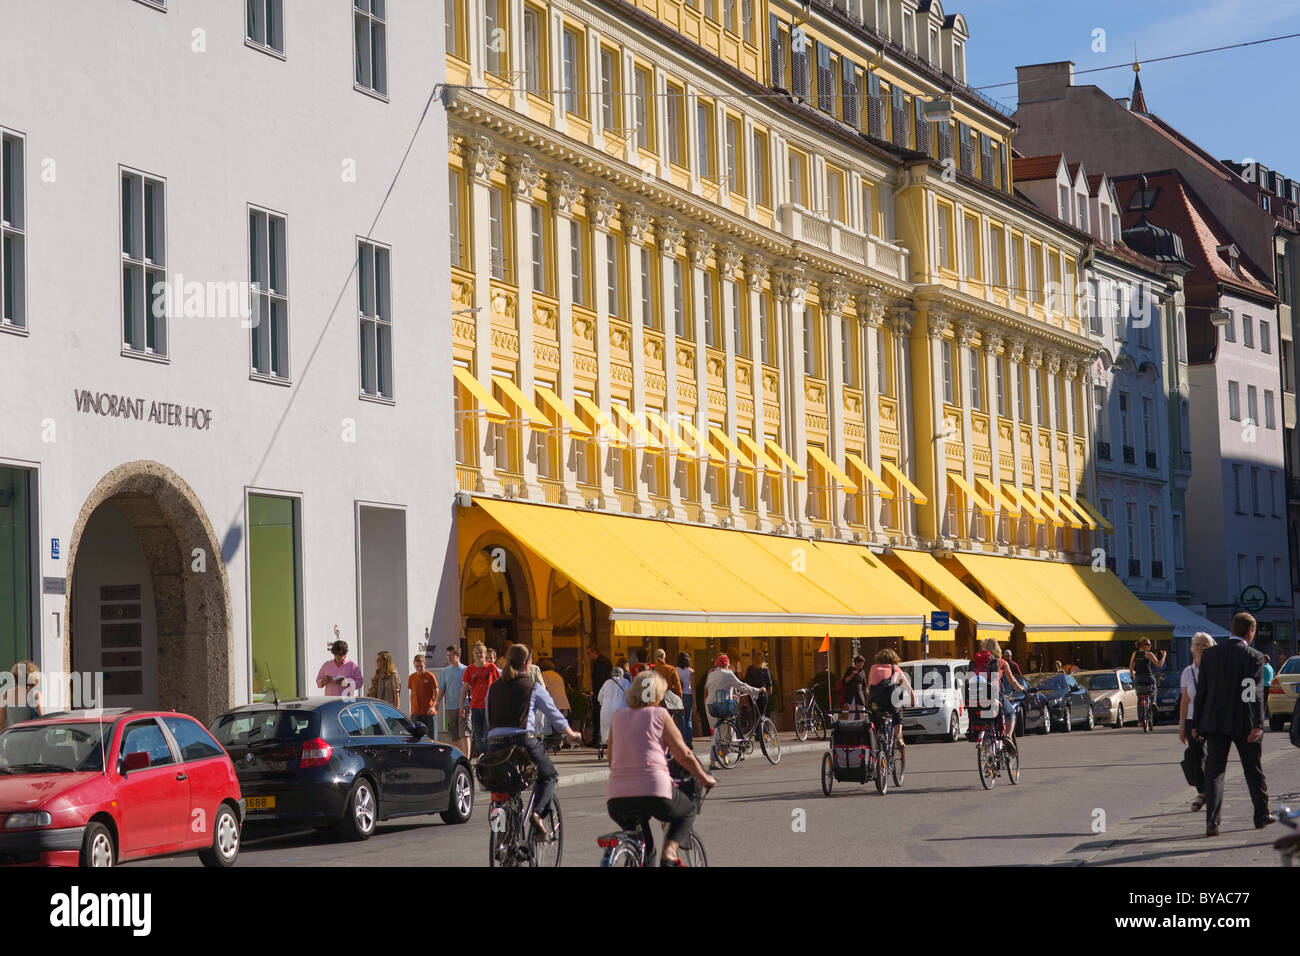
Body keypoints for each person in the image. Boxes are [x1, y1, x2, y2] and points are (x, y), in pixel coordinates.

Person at [606, 669, 716, 866]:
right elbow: (684, 754)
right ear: (658, 695)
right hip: (653, 791)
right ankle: (670, 853)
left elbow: (611, 759)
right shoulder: (660, 714)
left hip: (617, 799)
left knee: (645, 849)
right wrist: (702, 777)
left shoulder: (618, 717)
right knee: (687, 811)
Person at [484, 644, 580, 839]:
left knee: (500, 792)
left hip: (494, 744)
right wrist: (570, 733)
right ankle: (537, 814)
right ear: (528, 664)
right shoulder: (532, 686)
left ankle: (500, 841)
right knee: (548, 775)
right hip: (522, 742)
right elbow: (554, 714)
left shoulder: (493, 688)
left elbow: (488, 716)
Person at [1192, 612, 1272, 837]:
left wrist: (1196, 723)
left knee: (1214, 772)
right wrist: (1258, 723)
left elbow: (1202, 691)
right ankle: (1261, 815)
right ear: (1251, 632)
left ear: (1232, 630)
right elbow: (1251, 693)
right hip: (1243, 723)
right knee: (1253, 769)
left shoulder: (1210, 655)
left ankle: (1212, 822)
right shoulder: (1254, 656)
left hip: (1215, 721)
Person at [703, 655, 762, 770]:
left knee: (717, 733)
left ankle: (716, 760)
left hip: (710, 706)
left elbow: (711, 688)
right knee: (727, 733)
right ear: (727, 664)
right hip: (722, 706)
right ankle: (721, 757)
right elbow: (742, 686)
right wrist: (757, 691)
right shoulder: (728, 674)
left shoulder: (711, 674)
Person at [1178, 633, 1215, 811]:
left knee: (1210, 757)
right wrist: (1182, 725)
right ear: (1193, 648)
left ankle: (1208, 792)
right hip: (1193, 719)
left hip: (1213, 719)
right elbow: (1185, 700)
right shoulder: (1187, 672)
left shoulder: (1217, 669)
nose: (1202, 647)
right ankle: (1203, 791)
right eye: (1199, 644)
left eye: (1205, 644)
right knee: (1194, 755)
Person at [969, 638, 1024, 753]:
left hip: (978, 697)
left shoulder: (977, 662)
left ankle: (988, 760)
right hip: (994, 695)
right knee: (1011, 713)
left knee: (985, 720)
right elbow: (1012, 681)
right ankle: (1008, 737)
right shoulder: (1001, 662)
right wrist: (1021, 688)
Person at [867, 649, 915, 754]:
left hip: (875, 703)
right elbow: (908, 689)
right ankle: (898, 737)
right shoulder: (895, 669)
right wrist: (913, 702)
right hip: (890, 704)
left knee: (874, 717)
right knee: (898, 711)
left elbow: (869, 686)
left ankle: (875, 740)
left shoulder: (873, 668)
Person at [461, 643, 500, 757]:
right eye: (477, 652)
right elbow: (464, 689)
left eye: (481, 652)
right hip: (475, 706)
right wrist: (462, 705)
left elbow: (499, 685)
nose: (479, 655)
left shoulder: (491, 668)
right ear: (473, 655)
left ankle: (489, 757)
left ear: (485, 654)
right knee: (478, 736)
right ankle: (483, 756)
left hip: (490, 706)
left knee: (488, 734)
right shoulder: (470, 669)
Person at [438, 646, 470, 755]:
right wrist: (437, 702)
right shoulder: (445, 671)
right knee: (455, 735)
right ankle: (460, 758)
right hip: (450, 706)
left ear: (458, 656)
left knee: (465, 734)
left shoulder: (466, 669)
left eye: (452, 656)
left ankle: (467, 759)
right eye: (448, 656)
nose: (449, 658)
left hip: (464, 705)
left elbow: (471, 688)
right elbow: (442, 688)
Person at [1129, 638, 1167, 725]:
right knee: (1154, 688)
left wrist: (1133, 677)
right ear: (1144, 646)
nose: (1150, 646)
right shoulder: (1148, 654)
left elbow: (1131, 668)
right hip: (1148, 677)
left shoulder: (1134, 654)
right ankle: (1153, 701)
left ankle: (1140, 721)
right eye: (1149, 645)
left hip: (1138, 678)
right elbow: (1159, 665)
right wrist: (1164, 655)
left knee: (1139, 699)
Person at [0, 661, 43, 732]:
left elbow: (1, 723)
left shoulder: (6, 694)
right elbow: (42, 719)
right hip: (29, 737)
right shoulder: (35, 694)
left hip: (10, 737)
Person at [598, 666, 631, 748]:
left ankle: (606, 743)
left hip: (606, 709)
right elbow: (631, 696)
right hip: (621, 709)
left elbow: (599, 698)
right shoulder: (626, 682)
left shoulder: (607, 682)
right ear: (622, 674)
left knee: (607, 728)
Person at [407, 654, 439, 738]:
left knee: (432, 737)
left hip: (429, 712)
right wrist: (412, 710)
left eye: (421, 666)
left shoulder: (430, 676)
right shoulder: (412, 677)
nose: (419, 668)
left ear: (425, 664)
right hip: (416, 712)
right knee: (416, 737)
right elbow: (412, 694)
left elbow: (436, 694)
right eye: (417, 666)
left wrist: (433, 707)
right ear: (414, 664)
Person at [588, 644, 612, 747]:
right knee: (601, 716)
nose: (588, 655)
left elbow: (600, 680)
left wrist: (597, 694)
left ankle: (598, 738)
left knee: (598, 716)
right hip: (603, 693)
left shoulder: (600, 663)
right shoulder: (602, 661)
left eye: (589, 653)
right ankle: (601, 738)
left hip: (601, 694)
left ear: (594, 652)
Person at [742, 654, 773, 731]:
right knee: (754, 713)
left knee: (762, 713)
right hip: (752, 694)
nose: (758, 660)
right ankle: (757, 731)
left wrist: (767, 695)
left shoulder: (765, 669)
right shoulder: (750, 669)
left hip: (762, 694)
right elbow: (746, 681)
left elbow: (769, 684)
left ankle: (762, 731)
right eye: (756, 658)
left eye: (760, 658)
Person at [675, 652, 695, 748]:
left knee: (680, 719)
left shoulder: (675, 670)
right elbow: (693, 687)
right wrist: (694, 701)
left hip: (679, 696)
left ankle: (681, 740)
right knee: (688, 720)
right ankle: (689, 741)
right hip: (688, 695)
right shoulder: (691, 671)